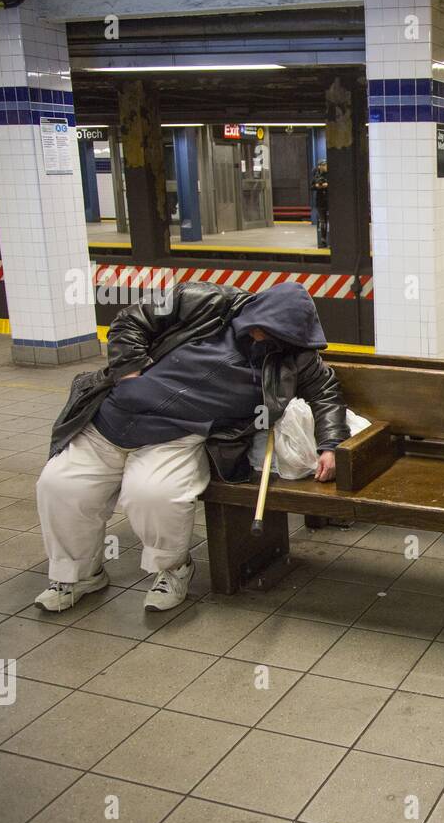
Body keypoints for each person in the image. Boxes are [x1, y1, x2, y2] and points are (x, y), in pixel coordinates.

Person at [34, 281, 349, 613]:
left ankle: (172, 570)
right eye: (262, 328)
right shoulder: (206, 301)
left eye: (276, 336)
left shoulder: (296, 355)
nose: (263, 337)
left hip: (176, 437)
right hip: (109, 422)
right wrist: (128, 372)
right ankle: (79, 575)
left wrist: (331, 445)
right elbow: (132, 319)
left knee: (154, 494)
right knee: (59, 486)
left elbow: (326, 394)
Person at [311, 160, 330, 248]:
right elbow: (311, 186)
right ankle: (323, 241)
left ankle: (332, 241)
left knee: (331, 222)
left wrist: (327, 185)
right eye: (323, 165)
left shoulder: (330, 174)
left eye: (325, 165)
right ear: (319, 166)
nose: (325, 166)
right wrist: (316, 186)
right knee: (323, 222)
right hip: (320, 202)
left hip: (329, 201)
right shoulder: (316, 175)